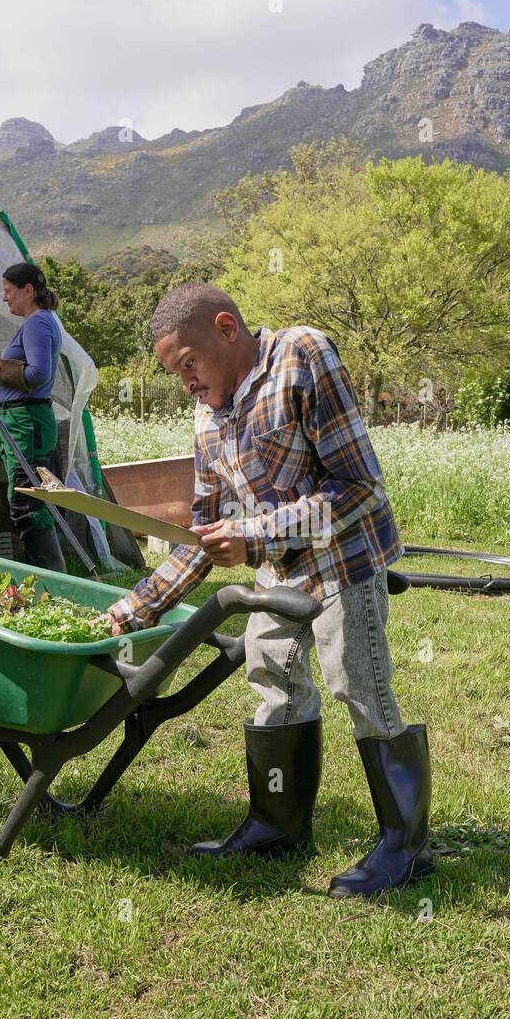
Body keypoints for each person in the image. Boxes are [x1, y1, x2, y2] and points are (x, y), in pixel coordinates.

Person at [104, 281, 434, 899]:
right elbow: (198, 536)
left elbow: (360, 488)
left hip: (344, 560)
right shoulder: (207, 417)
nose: (186, 384)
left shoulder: (302, 356)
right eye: (176, 374)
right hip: (278, 574)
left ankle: (405, 845)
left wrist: (256, 535)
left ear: (226, 329)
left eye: (188, 365)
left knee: (356, 681)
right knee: (272, 680)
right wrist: (134, 607)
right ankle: (278, 825)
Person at [0, 262, 65, 572]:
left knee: (28, 504)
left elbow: (38, 373)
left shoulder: (37, 323)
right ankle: (45, 578)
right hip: (23, 423)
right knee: (28, 500)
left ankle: (53, 581)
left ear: (28, 290)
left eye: (8, 291)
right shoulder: (40, 321)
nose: (5, 297)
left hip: (27, 424)